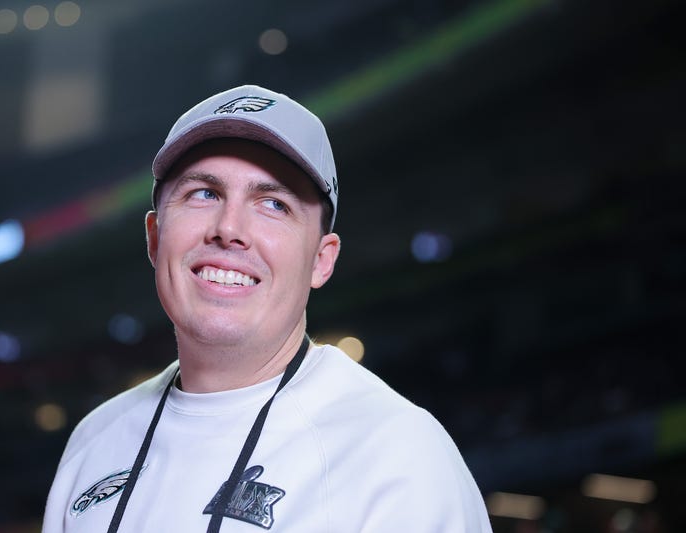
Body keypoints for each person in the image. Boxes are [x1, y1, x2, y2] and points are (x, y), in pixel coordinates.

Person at [42, 85, 492, 532]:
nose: (229, 228)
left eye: (274, 204)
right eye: (204, 193)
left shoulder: (398, 458)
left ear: (321, 260)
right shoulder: (93, 441)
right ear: (155, 238)